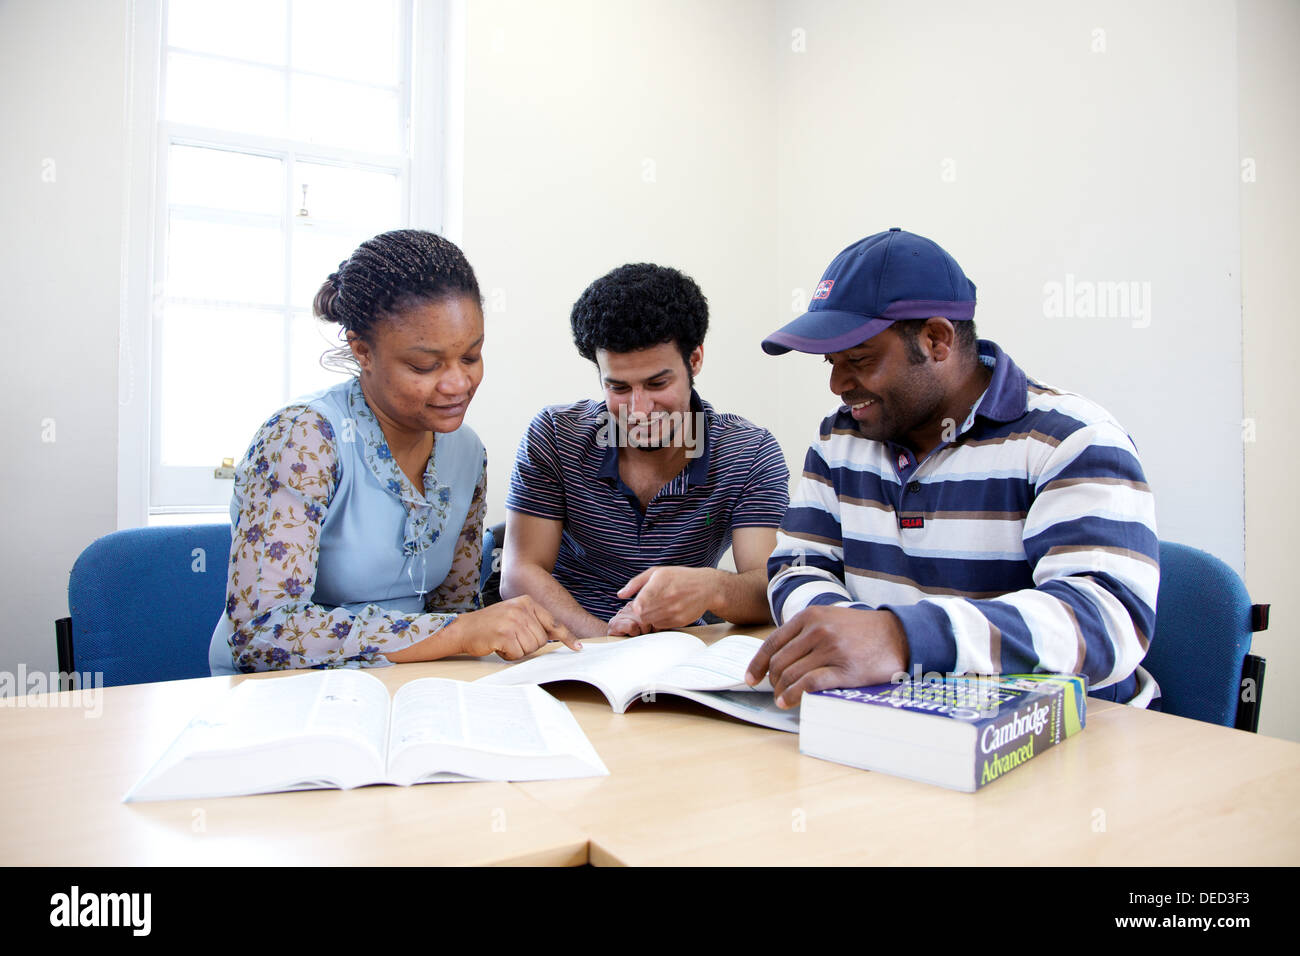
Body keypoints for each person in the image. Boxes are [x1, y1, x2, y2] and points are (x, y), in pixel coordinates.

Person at [745, 228, 1159, 709]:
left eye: (858, 359)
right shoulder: (841, 440)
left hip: (1064, 743)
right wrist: (847, 640)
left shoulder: (1070, 439)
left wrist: (899, 638)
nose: (838, 384)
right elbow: (797, 565)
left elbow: (1109, 620)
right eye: (831, 363)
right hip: (886, 718)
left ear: (936, 339)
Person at [209, 229, 580, 675]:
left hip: (408, 688)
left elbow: (456, 608)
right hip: (286, 694)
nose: (458, 384)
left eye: (471, 356)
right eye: (425, 365)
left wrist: (499, 631)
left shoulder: (466, 452)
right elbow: (262, 633)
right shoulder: (303, 439)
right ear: (362, 350)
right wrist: (458, 633)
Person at [500, 263, 790, 638]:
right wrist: (607, 641)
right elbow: (518, 572)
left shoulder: (749, 453)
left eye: (657, 383)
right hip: (567, 645)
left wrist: (711, 587)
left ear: (695, 360)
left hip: (677, 650)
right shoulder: (556, 436)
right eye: (618, 388)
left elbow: (770, 586)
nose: (639, 410)